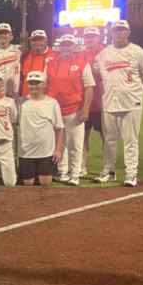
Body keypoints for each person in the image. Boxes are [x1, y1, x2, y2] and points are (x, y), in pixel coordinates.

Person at [94, 20, 143, 187]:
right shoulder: (103, 54)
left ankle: (131, 174)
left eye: (122, 30)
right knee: (109, 140)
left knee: (130, 141)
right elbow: (95, 71)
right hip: (109, 102)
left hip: (131, 104)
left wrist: (139, 91)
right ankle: (109, 172)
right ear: (112, 33)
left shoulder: (138, 52)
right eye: (116, 30)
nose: (119, 33)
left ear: (128, 32)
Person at [47, 35, 95, 186]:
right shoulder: (50, 63)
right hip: (55, 111)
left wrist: (86, 109)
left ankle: (75, 174)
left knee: (75, 144)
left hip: (74, 110)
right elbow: (44, 84)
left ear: (74, 47)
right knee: (60, 143)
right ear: (60, 46)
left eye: (69, 45)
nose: (66, 48)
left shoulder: (82, 63)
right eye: (64, 45)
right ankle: (62, 172)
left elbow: (89, 87)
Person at [18, 70, 64, 187]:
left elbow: (59, 128)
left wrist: (58, 150)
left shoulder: (52, 103)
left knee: (45, 184)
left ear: (44, 84)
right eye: (31, 83)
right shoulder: (20, 103)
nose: (34, 86)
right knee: (28, 184)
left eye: (37, 83)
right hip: (26, 153)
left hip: (46, 153)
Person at [80, 26, 105, 177]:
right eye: (88, 36)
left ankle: (107, 168)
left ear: (99, 37)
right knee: (83, 136)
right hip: (85, 103)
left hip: (103, 103)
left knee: (106, 137)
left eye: (93, 36)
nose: (90, 39)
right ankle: (82, 166)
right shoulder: (80, 54)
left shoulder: (106, 53)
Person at [19, 30, 55, 96]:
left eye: (41, 40)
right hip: (26, 98)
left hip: (45, 98)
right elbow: (20, 78)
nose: (37, 42)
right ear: (30, 42)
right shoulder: (24, 56)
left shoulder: (55, 56)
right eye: (34, 40)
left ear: (46, 41)